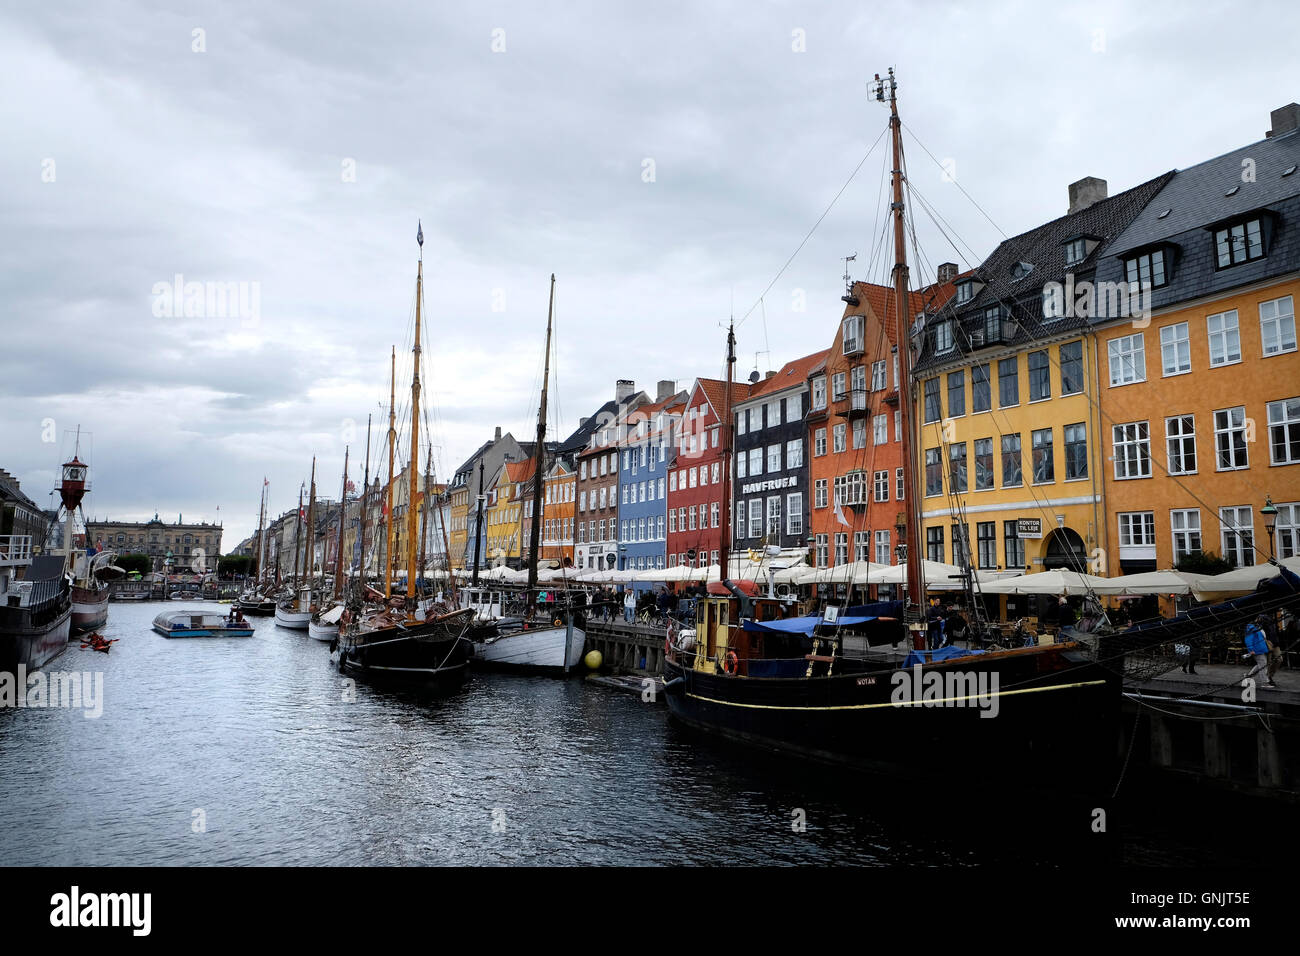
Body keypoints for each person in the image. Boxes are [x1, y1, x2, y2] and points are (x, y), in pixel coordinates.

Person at [1244, 615, 1279, 689]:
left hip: (1261, 649)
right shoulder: (1251, 628)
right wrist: (1251, 650)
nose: (1260, 620)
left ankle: (1248, 677)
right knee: (1262, 665)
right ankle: (1264, 683)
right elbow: (1248, 640)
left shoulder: (1258, 627)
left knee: (1261, 664)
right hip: (1256, 650)